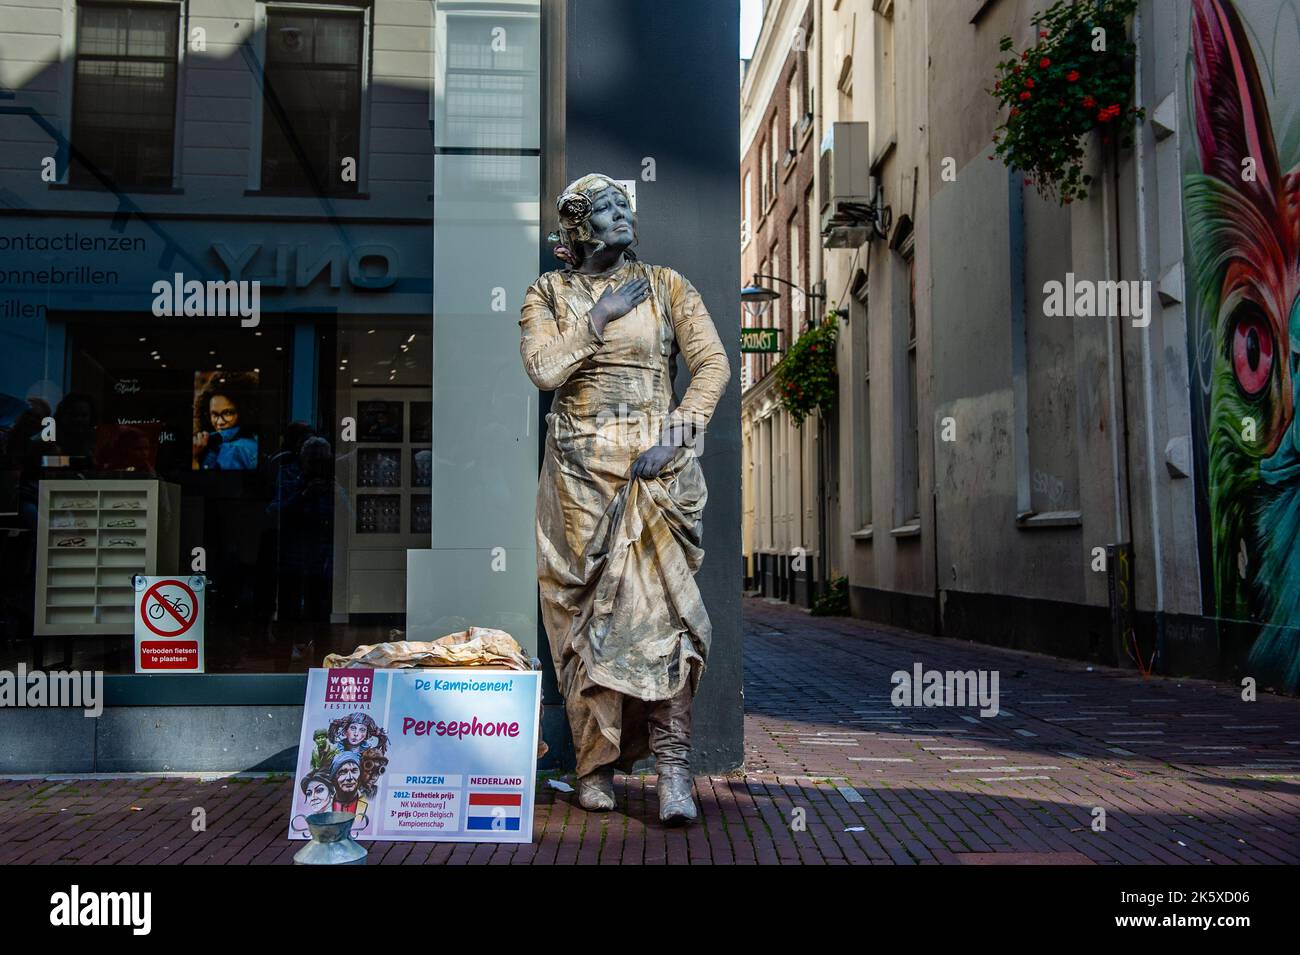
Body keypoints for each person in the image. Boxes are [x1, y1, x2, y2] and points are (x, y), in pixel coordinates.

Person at [519, 173, 730, 824]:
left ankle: (672, 771)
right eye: (605, 209)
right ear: (577, 230)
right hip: (579, 484)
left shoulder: (668, 287)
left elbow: (714, 364)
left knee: (665, 624)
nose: (621, 215)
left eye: (623, 205)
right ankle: (595, 765)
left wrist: (678, 435)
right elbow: (542, 369)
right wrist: (597, 319)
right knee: (587, 625)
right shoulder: (549, 293)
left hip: (653, 478)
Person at [192, 375, 259, 470]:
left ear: (244, 412)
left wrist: (194, 459)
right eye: (214, 414)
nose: (219, 422)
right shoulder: (251, 440)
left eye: (228, 413)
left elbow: (213, 484)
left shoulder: (234, 450)